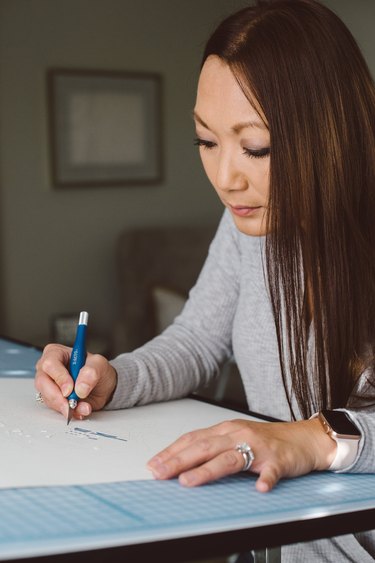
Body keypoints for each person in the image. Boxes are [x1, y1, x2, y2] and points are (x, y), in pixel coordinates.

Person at [35, 0, 375, 560]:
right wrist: (113, 378)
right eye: (206, 141)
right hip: (274, 533)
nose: (224, 178)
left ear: (329, 133)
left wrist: (310, 437)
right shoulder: (246, 219)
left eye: (255, 147)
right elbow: (196, 341)